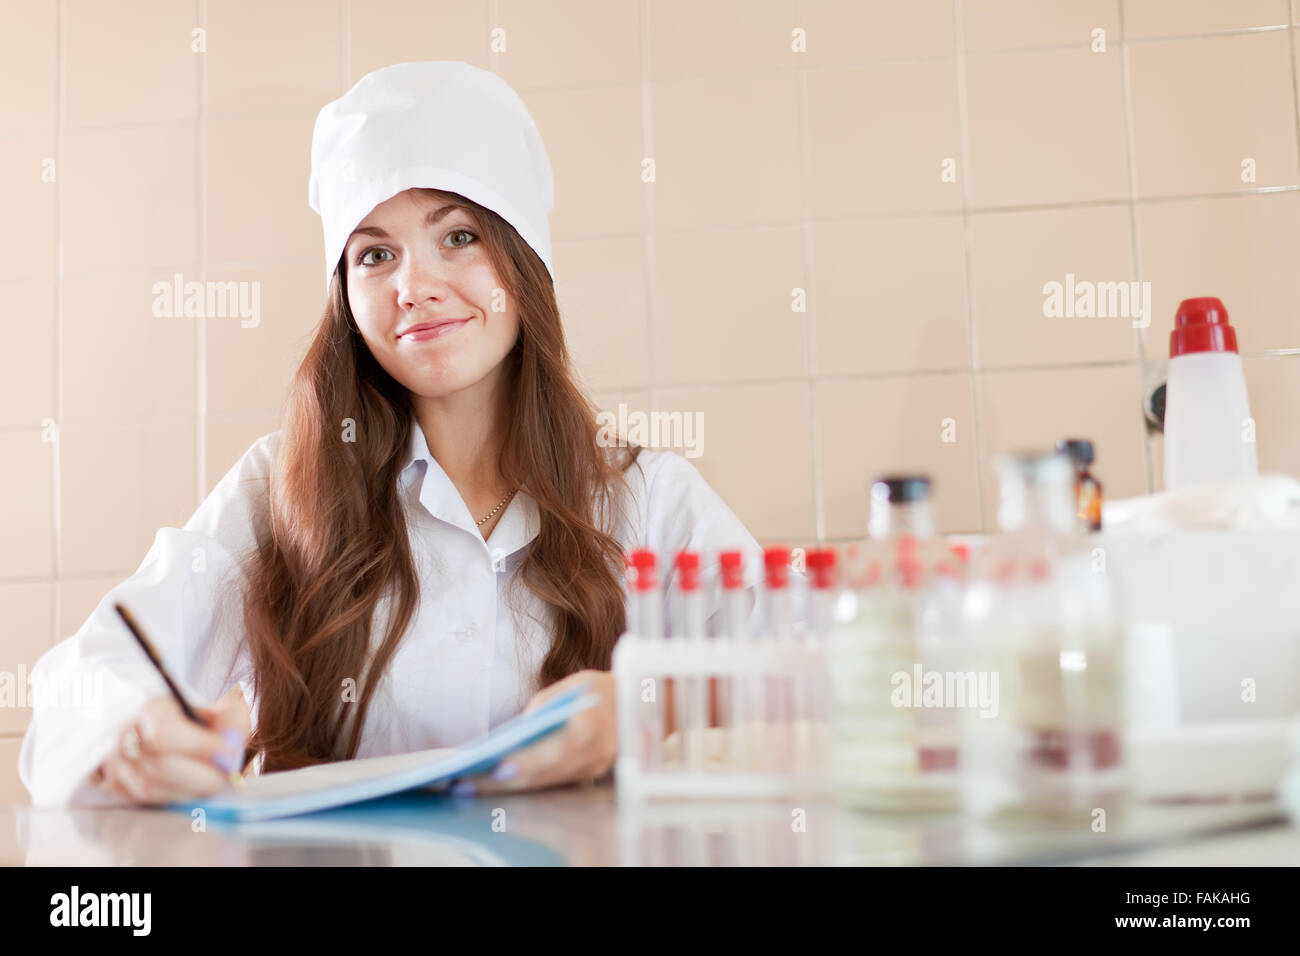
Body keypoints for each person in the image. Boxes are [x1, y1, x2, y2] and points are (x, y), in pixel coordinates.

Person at [19, 60, 766, 808]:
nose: (416, 285)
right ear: (346, 293)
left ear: (524, 262)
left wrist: (649, 704)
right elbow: (79, 689)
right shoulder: (280, 489)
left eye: (459, 237)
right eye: (376, 254)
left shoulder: (647, 498)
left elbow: (804, 678)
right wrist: (134, 736)